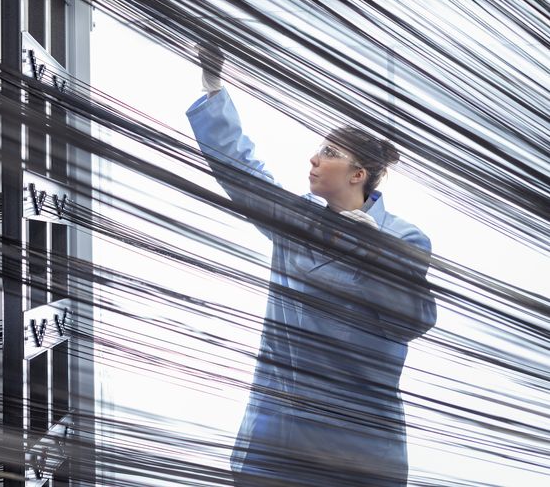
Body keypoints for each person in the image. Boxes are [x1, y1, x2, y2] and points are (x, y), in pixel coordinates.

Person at [186, 46, 437, 486]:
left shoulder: (403, 238)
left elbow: (412, 320)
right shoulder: (296, 222)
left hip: (358, 446)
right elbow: (242, 171)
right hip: (277, 437)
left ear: (358, 174)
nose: (314, 159)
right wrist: (213, 89)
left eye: (328, 152)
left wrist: (372, 251)